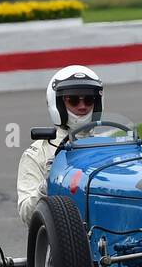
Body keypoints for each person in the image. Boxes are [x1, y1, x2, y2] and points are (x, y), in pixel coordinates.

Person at [17, 65, 104, 225]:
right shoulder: (38, 153)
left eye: (89, 100)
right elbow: (27, 214)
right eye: (73, 100)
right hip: (59, 239)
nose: (82, 106)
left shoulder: (106, 147)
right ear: (57, 104)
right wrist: (47, 185)